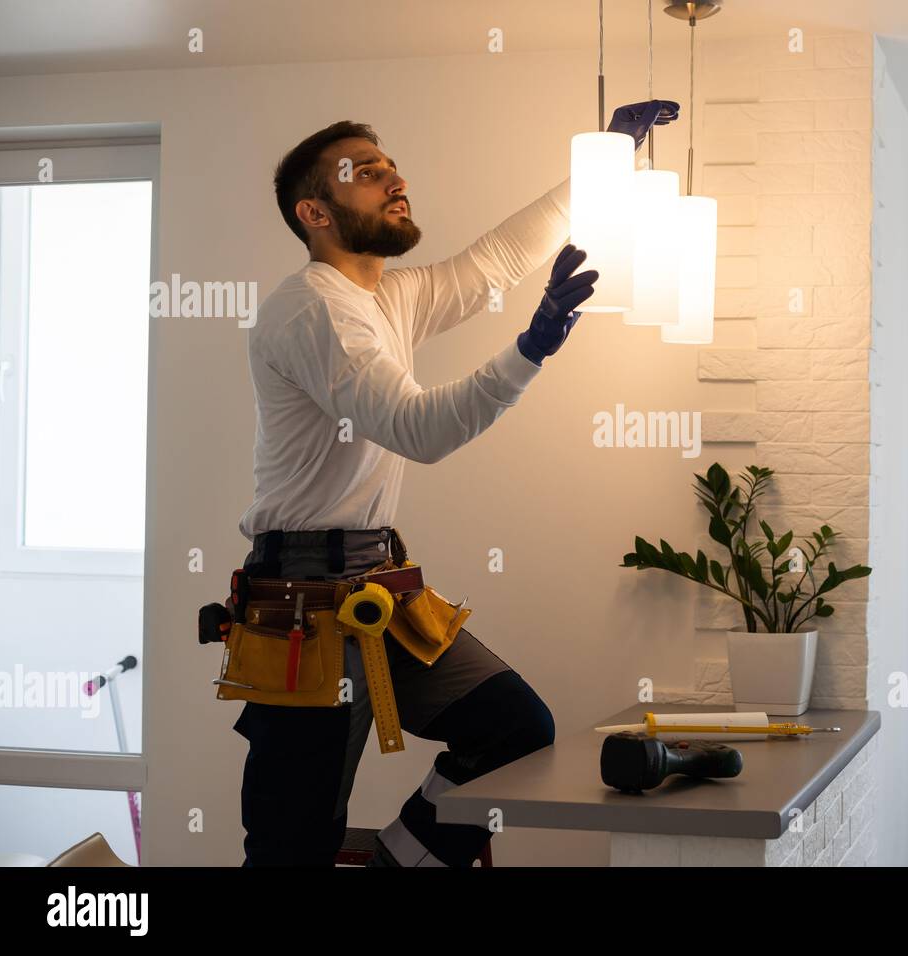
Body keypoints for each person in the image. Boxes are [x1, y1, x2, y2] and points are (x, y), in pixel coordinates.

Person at [233, 101, 680, 866]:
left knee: (513, 730)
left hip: (376, 583)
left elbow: (495, 261)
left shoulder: (385, 296)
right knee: (290, 844)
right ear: (315, 212)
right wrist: (530, 349)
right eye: (366, 174)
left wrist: (602, 160)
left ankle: (398, 862)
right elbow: (421, 430)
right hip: (302, 609)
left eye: (389, 165)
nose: (394, 178)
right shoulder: (314, 309)